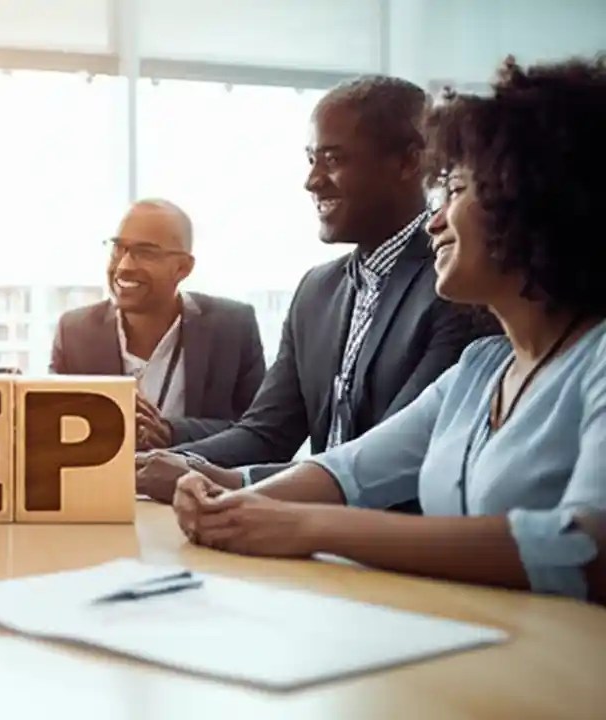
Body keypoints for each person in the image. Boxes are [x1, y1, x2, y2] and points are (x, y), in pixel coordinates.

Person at [172, 57, 606, 604]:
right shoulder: (480, 369)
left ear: (535, 200)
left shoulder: (597, 360)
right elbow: (347, 471)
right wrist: (233, 506)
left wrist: (308, 526)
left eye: (457, 191)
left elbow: (588, 550)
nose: (435, 219)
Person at [136, 75, 495, 502]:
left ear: (407, 162)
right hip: (308, 538)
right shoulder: (317, 290)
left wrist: (212, 478)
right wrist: (149, 466)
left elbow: (380, 461)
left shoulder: (458, 287)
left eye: (332, 159)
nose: (312, 180)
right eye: (311, 159)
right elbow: (264, 434)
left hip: (382, 544)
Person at [50, 199, 265, 450]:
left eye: (145, 253)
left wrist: (172, 431)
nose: (124, 266)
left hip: (198, 485)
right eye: (118, 249)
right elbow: (51, 428)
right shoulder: (74, 332)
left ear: (183, 268)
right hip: (101, 487)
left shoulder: (232, 328)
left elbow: (260, 431)